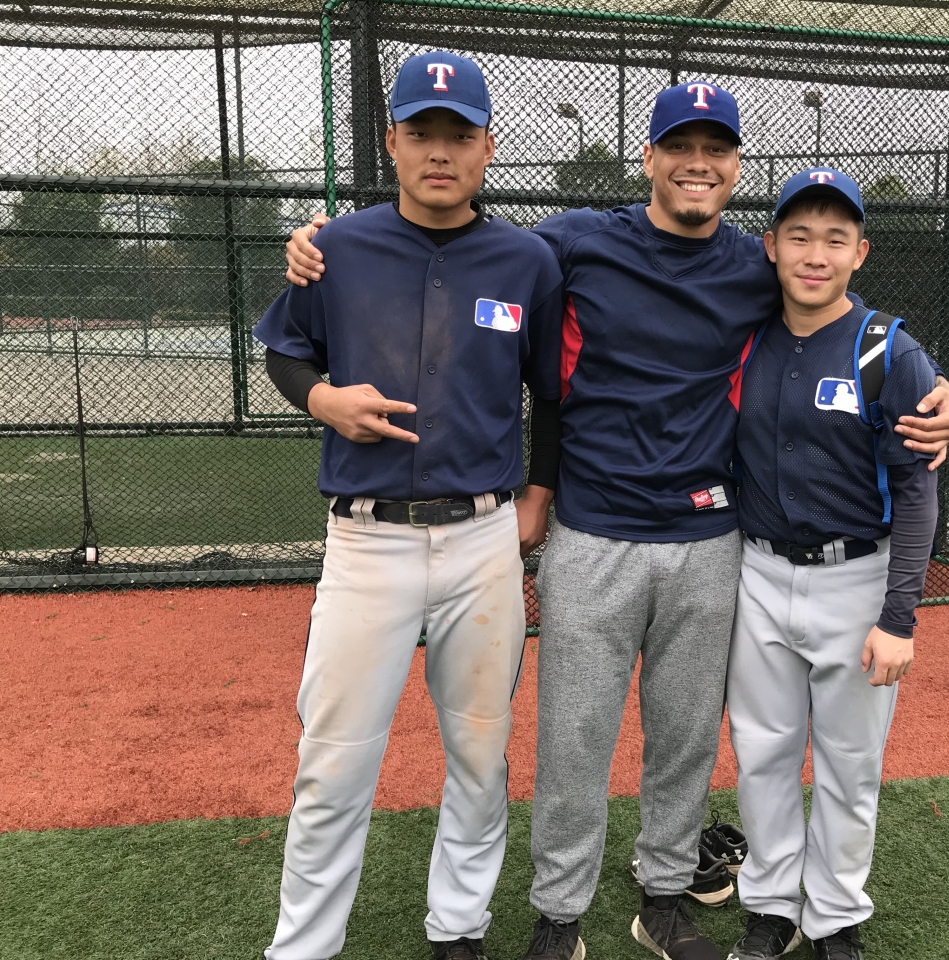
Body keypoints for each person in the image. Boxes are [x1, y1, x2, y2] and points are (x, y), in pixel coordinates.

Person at [283, 82, 949, 960]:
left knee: (684, 743)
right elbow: (468, 243)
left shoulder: (759, 265)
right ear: (649, 158)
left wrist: (929, 388)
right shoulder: (573, 241)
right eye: (680, 146)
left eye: (716, 150)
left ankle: (664, 895)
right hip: (592, 536)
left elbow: (828, 304)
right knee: (573, 741)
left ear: (735, 169)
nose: (697, 163)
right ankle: (558, 914)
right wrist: (315, 244)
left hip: (709, 542)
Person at [254, 52, 563, 960]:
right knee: (334, 760)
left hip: (482, 537)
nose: (440, 151)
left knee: (479, 752)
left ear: (487, 147)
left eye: (458, 134)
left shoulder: (528, 259)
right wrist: (323, 400)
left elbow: (551, 391)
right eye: (421, 131)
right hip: (366, 543)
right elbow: (285, 351)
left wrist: (538, 492)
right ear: (390, 142)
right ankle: (304, 947)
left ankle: (458, 928)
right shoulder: (336, 247)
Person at [725, 169, 938, 960]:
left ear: (861, 253)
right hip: (757, 570)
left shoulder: (890, 347)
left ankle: (837, 915)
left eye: (836, 239)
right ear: (772, 245)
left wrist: (898, 617)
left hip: (856, 577)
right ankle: (773, 906)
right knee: (763, 751)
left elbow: (919, 493)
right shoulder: (744, 330)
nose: (816, 254)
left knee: (850, 765)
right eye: (800, 236)